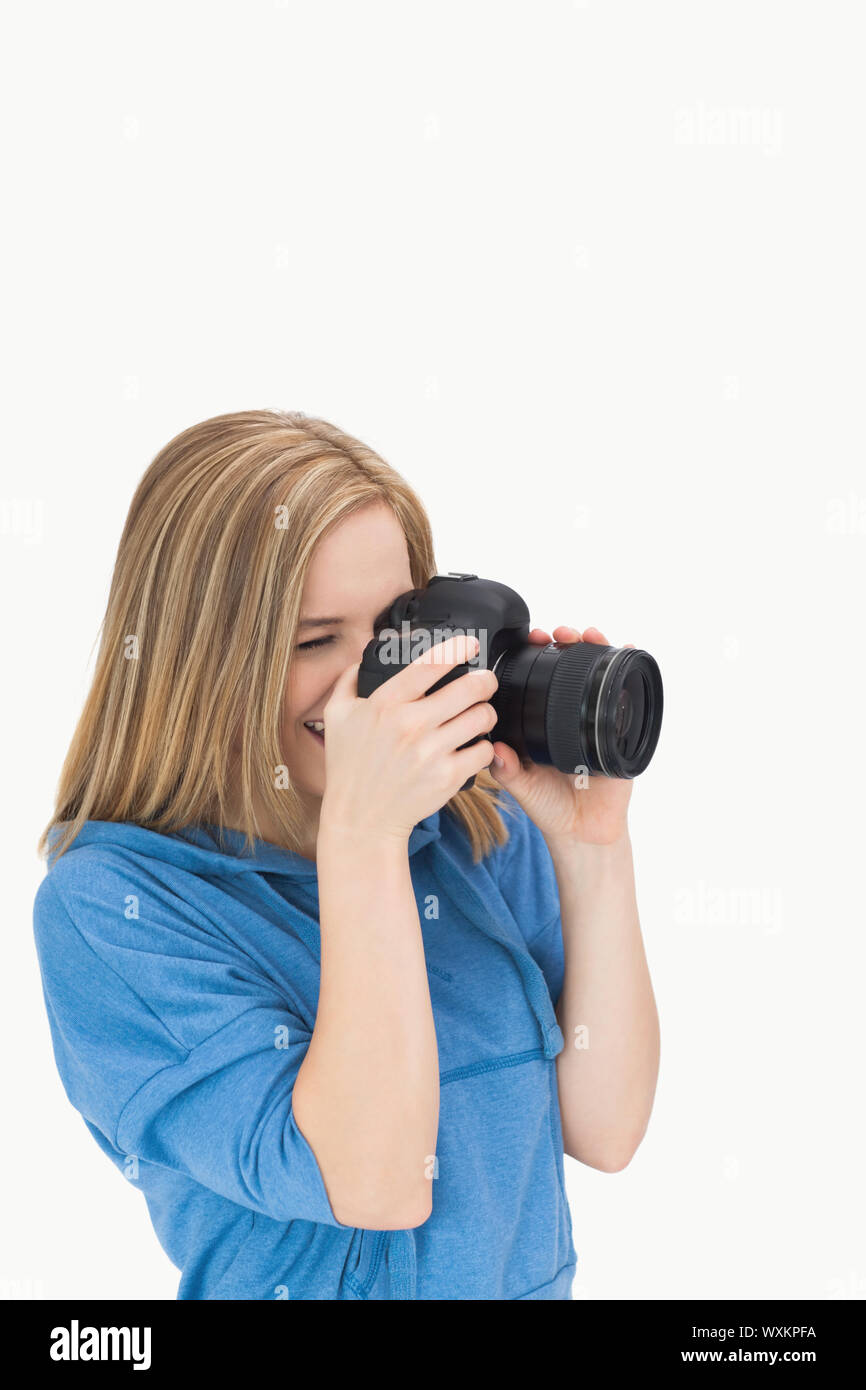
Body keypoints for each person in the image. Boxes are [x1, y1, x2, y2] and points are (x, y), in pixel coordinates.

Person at [33, 409, 659, 1300]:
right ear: (200, 666)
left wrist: (591, 847)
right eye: (313, 641)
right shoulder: (113, 909)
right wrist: (363, 840)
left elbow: (607, 1128)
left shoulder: (474, 834)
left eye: (398, 630)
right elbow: (372, 1180)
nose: (378, 683)